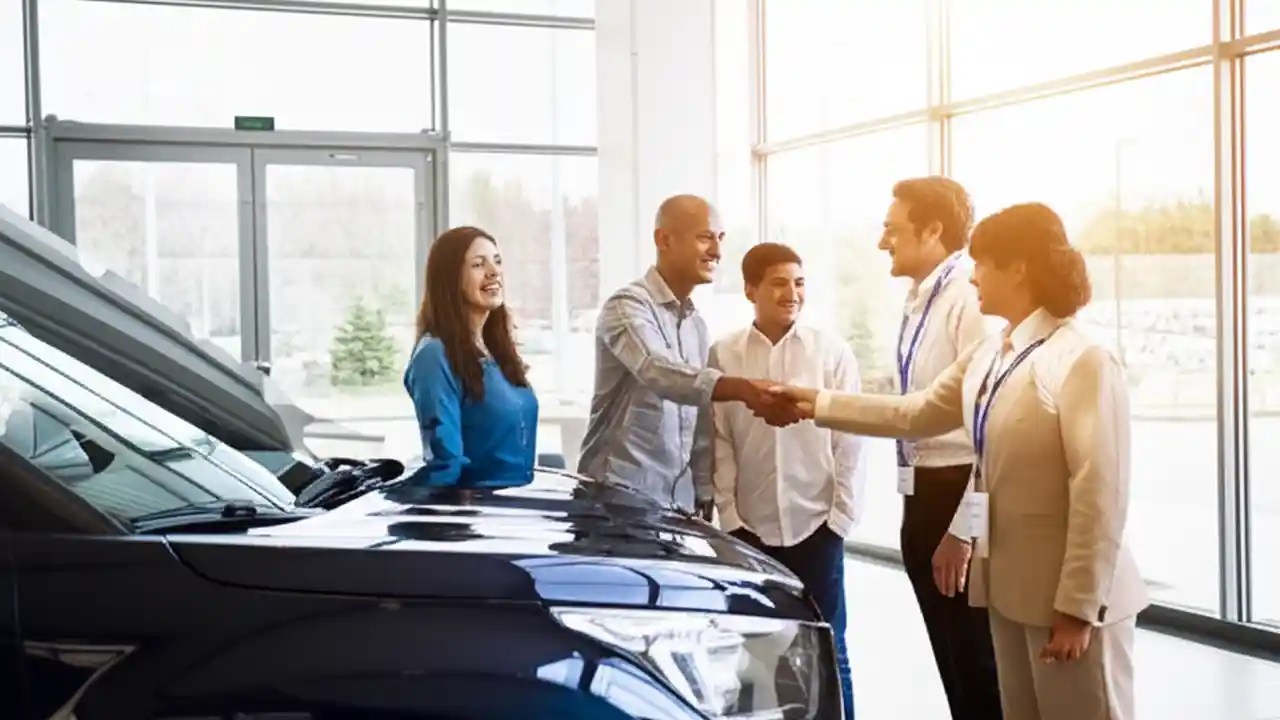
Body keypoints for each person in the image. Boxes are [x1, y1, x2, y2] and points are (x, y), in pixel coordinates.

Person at [768, 203, 1149, 720]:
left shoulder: (1083, 359)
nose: (974, 276)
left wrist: (1078, 608)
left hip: (1069, 600)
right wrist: (814, 402)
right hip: (1010, 591)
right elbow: (916, 412)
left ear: (1020, 268)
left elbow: (1100, 491)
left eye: (984, 263)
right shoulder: (995, 351)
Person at [708, 242, 862, 719]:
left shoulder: (830, 351)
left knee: (827, 647)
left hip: (816, 526)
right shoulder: (724, 352)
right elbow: (719, 441)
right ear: (751, 289)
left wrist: (839, 518)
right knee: (754, 650)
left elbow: (850, 440)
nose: (791, 293)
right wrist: (731, 520)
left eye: (798, 283)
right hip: (750, 532)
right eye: (778, 282)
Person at [577, 194, 800, 516]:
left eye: (720, 239)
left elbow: (698, 417)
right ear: (663, 239)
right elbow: (658, 370)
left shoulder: (696, 325)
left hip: (676, 506)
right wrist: (743, 389)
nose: (717, 251)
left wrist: (703, 491)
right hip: (616, 501)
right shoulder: (626, 306)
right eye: (705, 237)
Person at [879, 177, 1003, 719]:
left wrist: (963, 528)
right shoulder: (917, 300)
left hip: (957, 496)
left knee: (977, 664)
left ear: (933, 230)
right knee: (952, 659)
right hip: (923, 490)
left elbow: (988, 425)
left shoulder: (967, 302)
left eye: (892, 229)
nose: (884, 241)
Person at [404, 226, 538, 488]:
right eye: (478, 264)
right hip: (474, 517)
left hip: (516, 512)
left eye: (497, 261)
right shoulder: (434, 356)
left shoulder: (496, 350)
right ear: (450, 278)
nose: (494, 271)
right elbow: (445, 461)